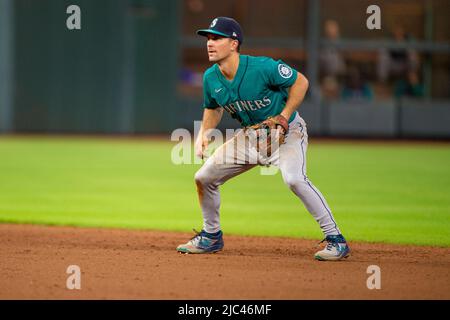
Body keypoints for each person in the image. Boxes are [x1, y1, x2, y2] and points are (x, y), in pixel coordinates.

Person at [176, 17, 350, 261]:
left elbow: (301, 81)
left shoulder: (262, 67)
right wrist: (204, 133)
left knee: (295, 180)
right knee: (204, 178)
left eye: (216, 38)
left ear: (234, 43)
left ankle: (336, 239)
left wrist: (284, 116)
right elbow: (213, 107)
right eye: (208, 38)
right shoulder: (210, 78)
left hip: (286, 133)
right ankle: (211, 236)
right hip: (249, 136)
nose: (210, 43)